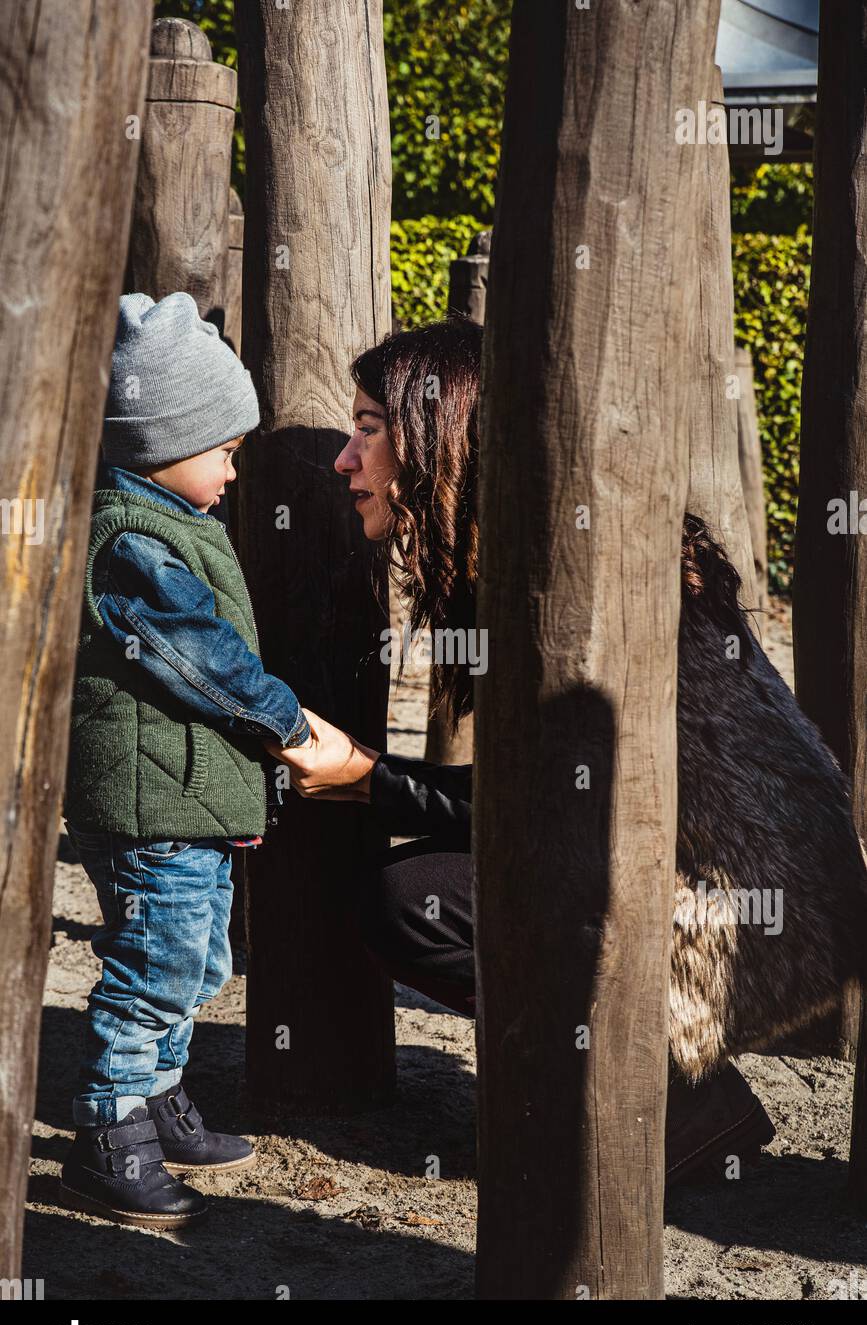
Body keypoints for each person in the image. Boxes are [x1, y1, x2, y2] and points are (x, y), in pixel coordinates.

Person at [269, 315, 867, 1186]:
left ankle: (672, 1108)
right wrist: (374, 778)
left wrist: (367, 777)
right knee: (432, 883)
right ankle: (682, 1100)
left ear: (439, 438)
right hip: (743, 882)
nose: (343, 462)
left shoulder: (552, 585)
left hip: (751, 921)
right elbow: (547, 793)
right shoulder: (531, 550)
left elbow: (546, 804)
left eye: (368, 431)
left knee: (408, 901)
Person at [61, 292, 311, 1228]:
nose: (234, 472)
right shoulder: (132, 539)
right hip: (148, 805)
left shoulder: (172, 522)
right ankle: (108, 1127)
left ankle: (159, 1096)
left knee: (198, 959)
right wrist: (285, 721)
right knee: (153, 963)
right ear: (161, 443)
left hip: (187, 804)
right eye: (225, 451)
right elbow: (194, 654)